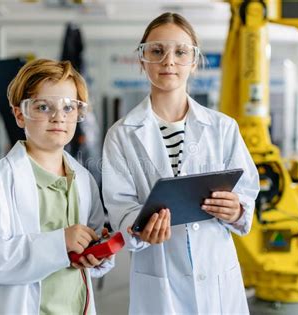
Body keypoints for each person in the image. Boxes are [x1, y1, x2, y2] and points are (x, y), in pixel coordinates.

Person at [102, 12, 260, 314]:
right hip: (159, 272)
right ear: (142, 59)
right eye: (157, 51)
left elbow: (247, 192)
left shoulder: (223, 128)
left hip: (216, 271)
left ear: (194, 61)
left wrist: (236, 208)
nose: (168, 61)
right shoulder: (121, 134)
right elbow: (120, 206)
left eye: (180, 51)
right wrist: (139, 227)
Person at [0, 59, 113, 314]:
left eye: (69, 107)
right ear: (20, 114)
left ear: (79, 114)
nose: (58, 117)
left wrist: (99, 255)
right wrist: (60, 242)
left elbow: (93, 238)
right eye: (44, 107)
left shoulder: (83, 180)